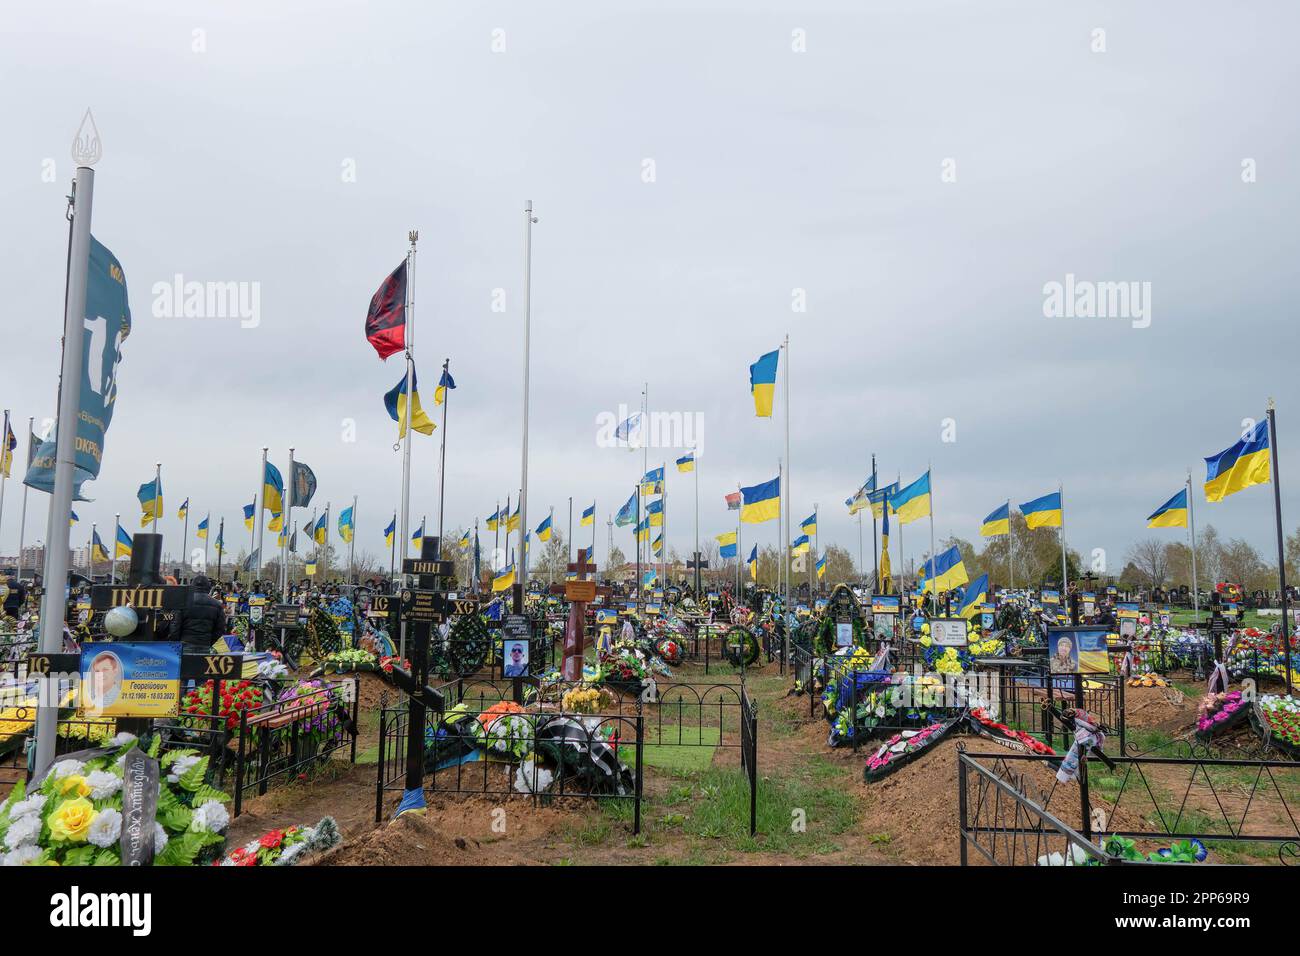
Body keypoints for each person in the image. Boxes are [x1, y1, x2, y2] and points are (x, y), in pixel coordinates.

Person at [168, 574, 227, 652]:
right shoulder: (217, 605)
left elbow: (175, 626)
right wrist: (210, 642)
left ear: (191, 586)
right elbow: (220, 629)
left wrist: (177, 642)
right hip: (205, 645)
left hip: (185, 645)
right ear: (209, 588)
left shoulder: (182, 602)